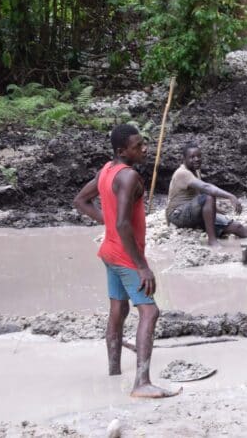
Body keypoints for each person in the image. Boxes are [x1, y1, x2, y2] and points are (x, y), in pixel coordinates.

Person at [73, 123, 180, 398]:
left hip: (109, 251)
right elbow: (122, 223)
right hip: (124, 255)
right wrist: (142, 266)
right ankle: (141, 383)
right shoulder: (129, 176)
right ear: (122, 151)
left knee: (118, 310)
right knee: (150, 312)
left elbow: (81, 201)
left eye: (144, 143)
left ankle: (114, 371)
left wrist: (108, 223)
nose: (145, 148)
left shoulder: (107, 170)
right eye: (138, 146)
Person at [165, 144, 247, 246]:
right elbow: (206, 188)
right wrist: (231, 196)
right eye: (192, 157)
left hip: (194, 214)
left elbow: (199, 194)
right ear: (184, 159)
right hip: (177, 215)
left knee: (237, 227)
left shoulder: (196, 171)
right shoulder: (182, 173)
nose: (196, 159)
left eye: (199, 156)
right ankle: (212, 241)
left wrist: (214, 209)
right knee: (209, 196)